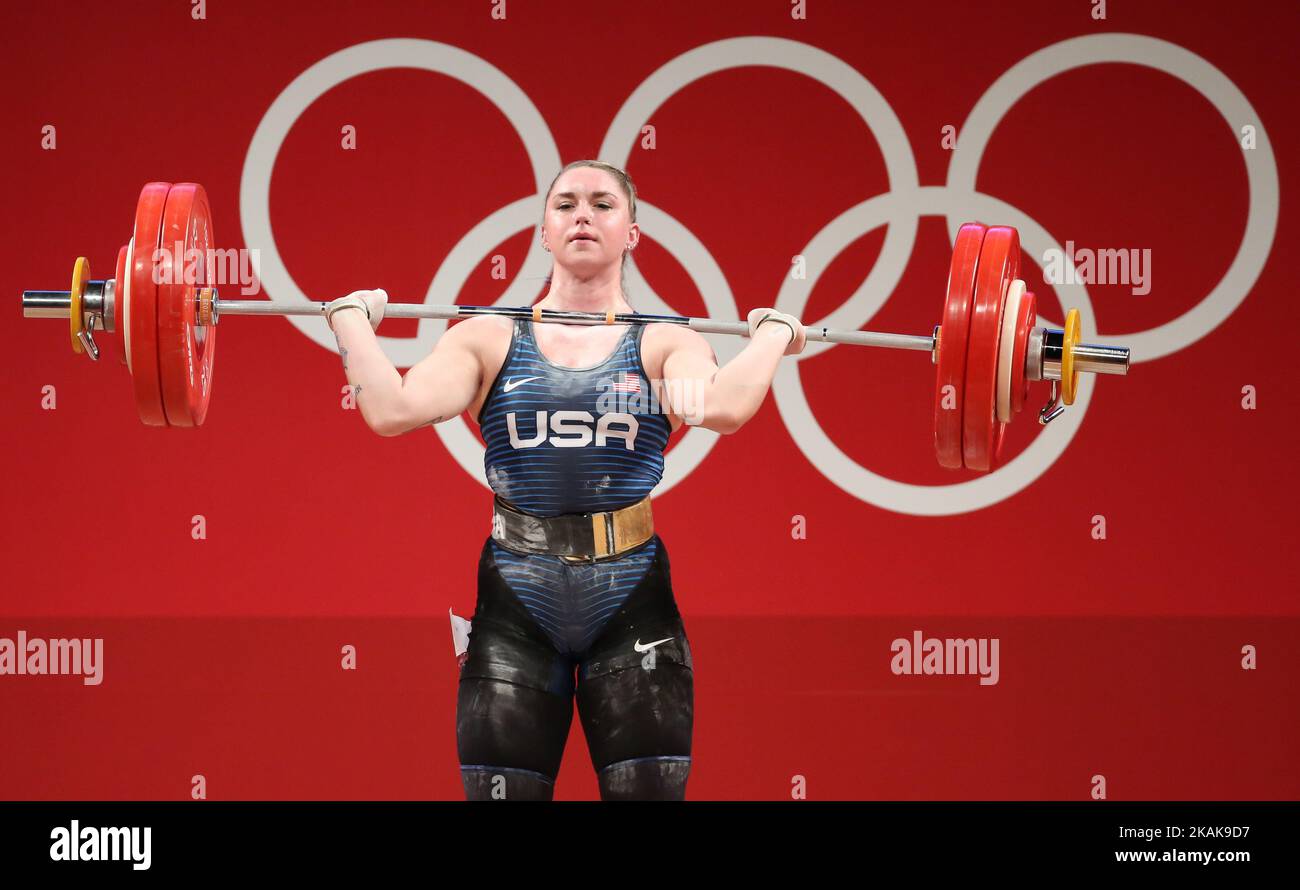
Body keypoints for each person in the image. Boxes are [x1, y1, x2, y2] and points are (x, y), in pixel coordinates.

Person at [325, 160, 806, 800]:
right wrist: (351, 321)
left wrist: (772, 335)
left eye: (603, 205)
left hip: (634, 604)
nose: (583, 215)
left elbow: (722, 407)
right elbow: (390, 411)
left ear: (631, 232)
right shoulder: (487, 340)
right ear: (545, 232)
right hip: (514, 607)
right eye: (567, 204)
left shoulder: (664, 344)